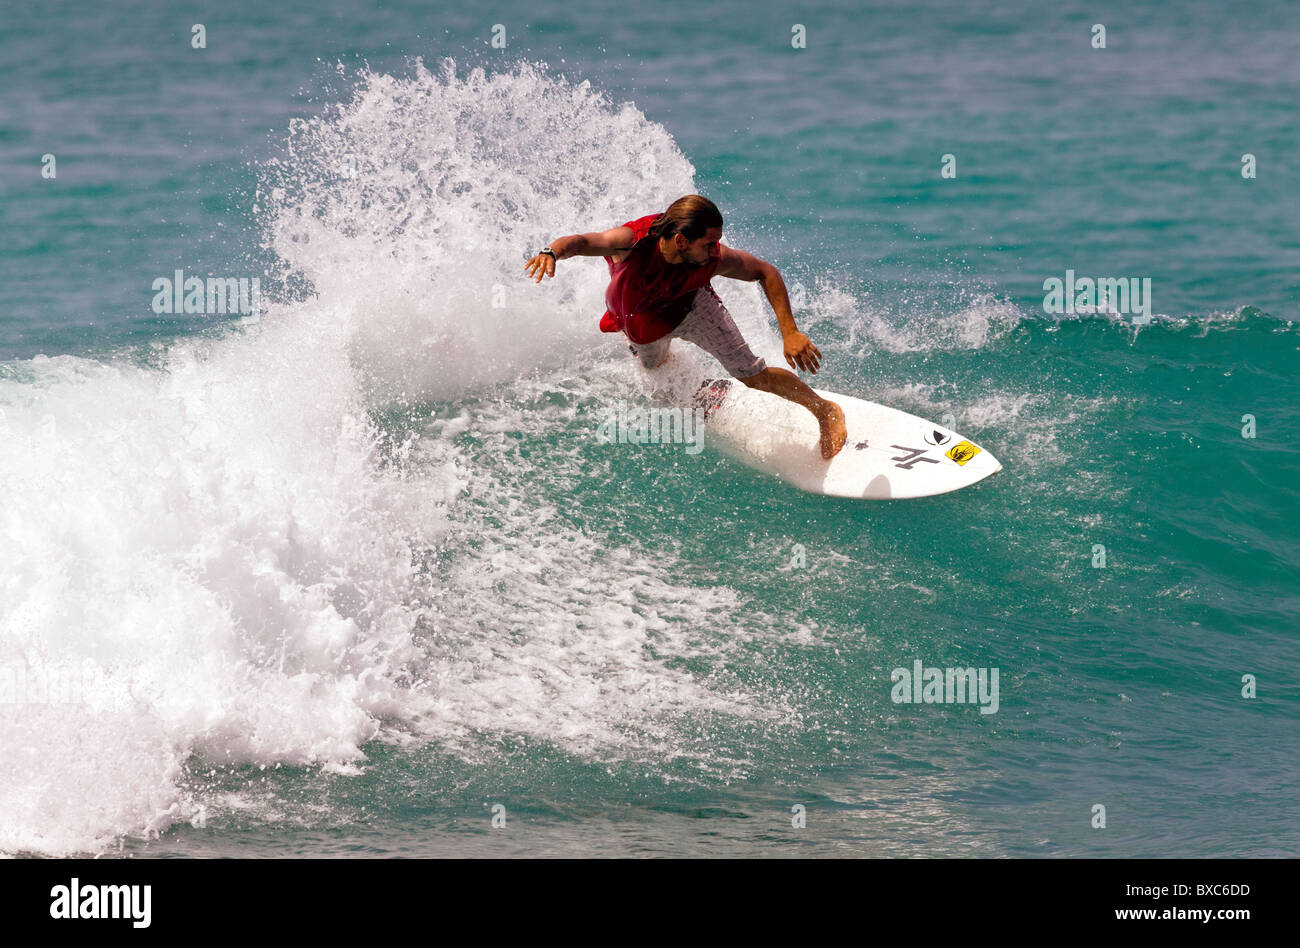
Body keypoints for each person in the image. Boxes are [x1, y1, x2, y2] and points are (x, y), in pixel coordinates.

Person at [524, 194, 847, 459]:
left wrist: (789, 332)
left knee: (753, 375)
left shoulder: (713, 260)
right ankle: (705, 392)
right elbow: (581, 241)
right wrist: (551, 252)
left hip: (692, 307)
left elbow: (764, 271)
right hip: (641, 323)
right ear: (680, 240)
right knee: (658, 377)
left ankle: (824, 411)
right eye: (708, 244)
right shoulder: (631, 242)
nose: (714, 251)